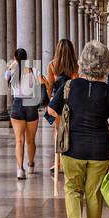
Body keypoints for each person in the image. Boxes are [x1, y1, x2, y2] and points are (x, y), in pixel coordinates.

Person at [48, 41, 109, 218]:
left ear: (82, 62)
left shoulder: (69, 86)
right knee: (94, 195)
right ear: (106, 65)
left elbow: (51, 111)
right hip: (100, 151)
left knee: (72, 189)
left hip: (73, 149)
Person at [6, 48, 43, 178]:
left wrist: (13, 64)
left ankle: (20, 170)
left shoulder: (12, 72)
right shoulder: (33, 71)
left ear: (15, 58)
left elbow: (6, 74)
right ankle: (31, 165)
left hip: (17, 104)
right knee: (31, 140)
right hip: (31, 104)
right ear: (27, 59)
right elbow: (45, 83)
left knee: (19, 140)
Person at [44, 39, 79, 176]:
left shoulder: (52, 65)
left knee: (58, 131)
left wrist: (50, 102)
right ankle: (70, 158)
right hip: (74, 102)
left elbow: (49, 88)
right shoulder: (76, 66)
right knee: (73, 130)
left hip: (59, 103)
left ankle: (57, 159)